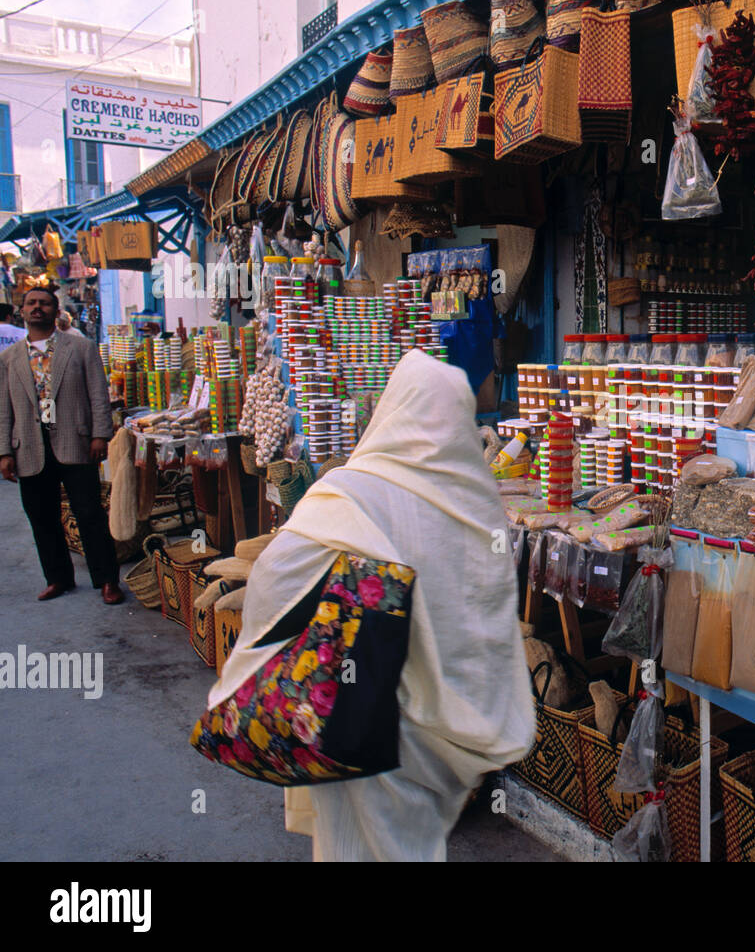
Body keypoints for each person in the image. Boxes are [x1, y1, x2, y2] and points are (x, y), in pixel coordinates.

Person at [206, 350, 534, 861]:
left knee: (351, 839)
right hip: (428, 726)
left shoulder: (346, 492)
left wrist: (301, 638)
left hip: (346, 706)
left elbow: (272, 576)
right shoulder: (469, 507)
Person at [0, 284, 124, 603]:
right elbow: (3, 408)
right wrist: (3, 452)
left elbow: (98, 394)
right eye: (31, 303)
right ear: (22, 312)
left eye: (44, 303)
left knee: (89, 514)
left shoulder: (80, 348)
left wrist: (100, 434)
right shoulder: (9, 358)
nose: (37, 307)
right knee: (41, 517)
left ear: (57, 311)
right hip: (29, 445)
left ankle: (107, 580)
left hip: (75, 441)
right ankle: (58, 579)